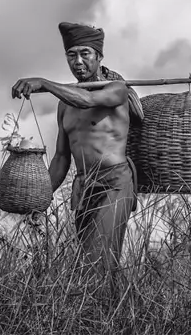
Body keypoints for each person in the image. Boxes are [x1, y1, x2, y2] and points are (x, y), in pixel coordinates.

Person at [11, 21, 144, 282]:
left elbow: (88, 100)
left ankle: (104, 317)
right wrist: (40, 198)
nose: (78, 61)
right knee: (89, 265)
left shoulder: (117, 89)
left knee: (97, 260)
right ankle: (114, 314)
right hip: (84, 187)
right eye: (71, 55)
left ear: (99, 57)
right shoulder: (65, 104)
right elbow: (61, 157)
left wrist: (44, 83)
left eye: (85, 54)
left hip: (115, 183)